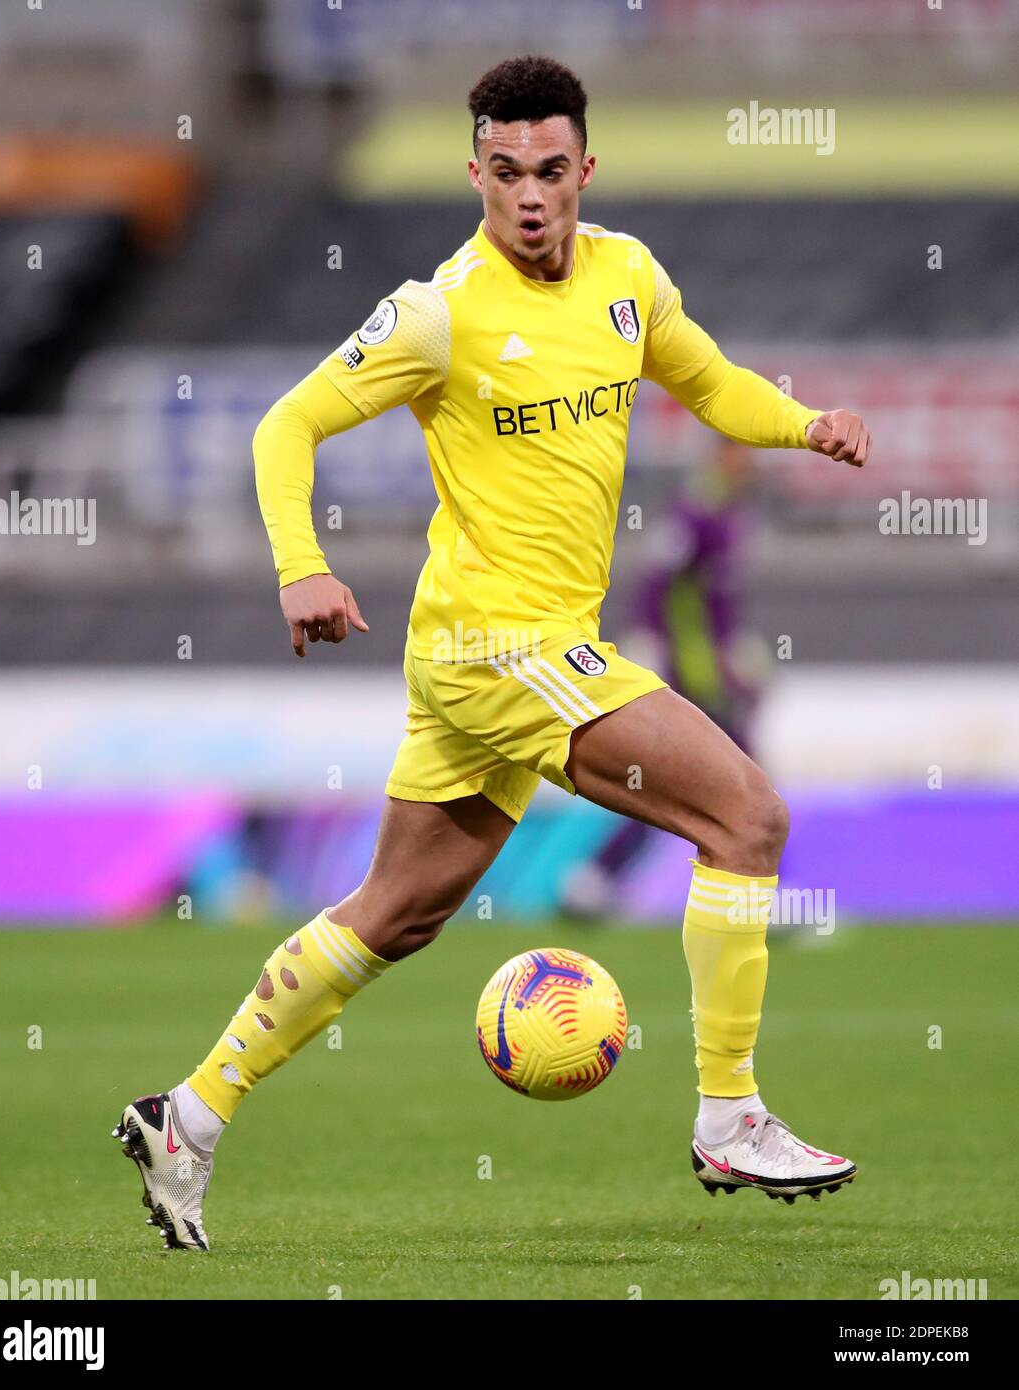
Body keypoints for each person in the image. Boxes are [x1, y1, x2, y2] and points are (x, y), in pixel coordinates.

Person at [114, 55, 869, 1250]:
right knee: (748, 819)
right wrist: (298, 566)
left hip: (507, 653)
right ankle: (729, 1111)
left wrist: (803, 424)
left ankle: (188, 1118)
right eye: (504, 173)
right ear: (474, 173)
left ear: (585, 170)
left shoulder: (627, 277)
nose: (528, 195)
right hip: (495, 647)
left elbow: (711, 384)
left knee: (396, 913)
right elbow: (285, 423)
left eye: (550, 171)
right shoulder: (440, 310)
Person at [560, 435, 770, 918]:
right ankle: (758, 898)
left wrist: (738, 652)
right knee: (748, 787)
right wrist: (648, 639)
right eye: (738, 455)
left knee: (687, 787)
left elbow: (716, 604)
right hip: (690, 675)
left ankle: (594, 879)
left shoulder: (731, 516)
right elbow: (657, 582)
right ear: (720, 457)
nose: (747, 465)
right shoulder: (695, 515)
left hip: (713, 675)